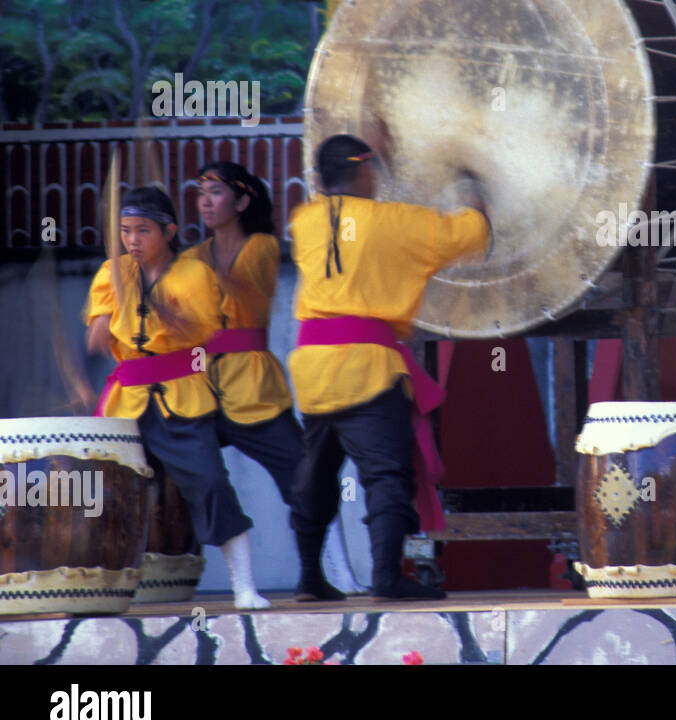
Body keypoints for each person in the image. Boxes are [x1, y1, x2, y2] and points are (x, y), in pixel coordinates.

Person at [288, 134, 491, 599]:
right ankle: (385, 577)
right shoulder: (397, 223)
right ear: (366, 173)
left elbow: (344, 205)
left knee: (315, 476)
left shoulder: (306, 220)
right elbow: (470, 232)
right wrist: (469, 190)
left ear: (319, 180)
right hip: (367, 368)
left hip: (313, 371)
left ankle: (309, 578)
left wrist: (368, 157)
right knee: (385, 476)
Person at [85, 185, 272, 609]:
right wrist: (97, 329)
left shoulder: (195, 274)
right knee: (108, 493)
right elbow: (98, 332)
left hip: (180, 398)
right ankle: (99, 586)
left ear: (169, 232)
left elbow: (202, 333)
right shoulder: (111, 272)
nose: (133, 240)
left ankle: (244, 586)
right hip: (125, 402)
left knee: (209, 483)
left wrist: (165, 309)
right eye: (127, 231)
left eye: (143, 231)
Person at [183, 160, 342, 602]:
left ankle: (312, 575)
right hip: (196, 387)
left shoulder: (262, 247)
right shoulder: (191, 258)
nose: (205, 202)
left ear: (243, 200)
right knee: (174, 471)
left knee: (304, 480)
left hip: (252, 386)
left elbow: (239, 288)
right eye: (200, 194)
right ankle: (165, 573)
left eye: (215, 192)